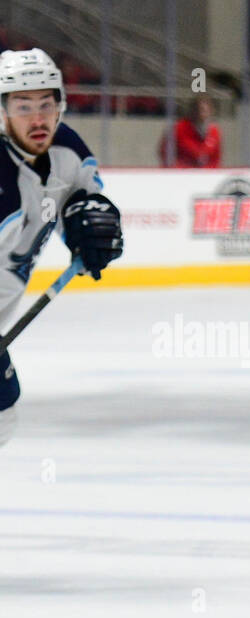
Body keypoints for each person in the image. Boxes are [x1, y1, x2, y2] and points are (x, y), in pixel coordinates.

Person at [0, 48, 123, 447]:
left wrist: (89, 227)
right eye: (23, 106)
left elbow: (80, 199)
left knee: (4, 415)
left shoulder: (65, 148)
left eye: (46, 104)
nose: (38, 119)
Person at [160, 95, 221, 168]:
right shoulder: (179, 128)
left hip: (205, 175)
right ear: (193, 110)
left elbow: (215, 159)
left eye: (206, 110)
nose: (202, 114)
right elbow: (165, 152)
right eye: (200, 109)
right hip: (182, 173)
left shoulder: (214, 132)